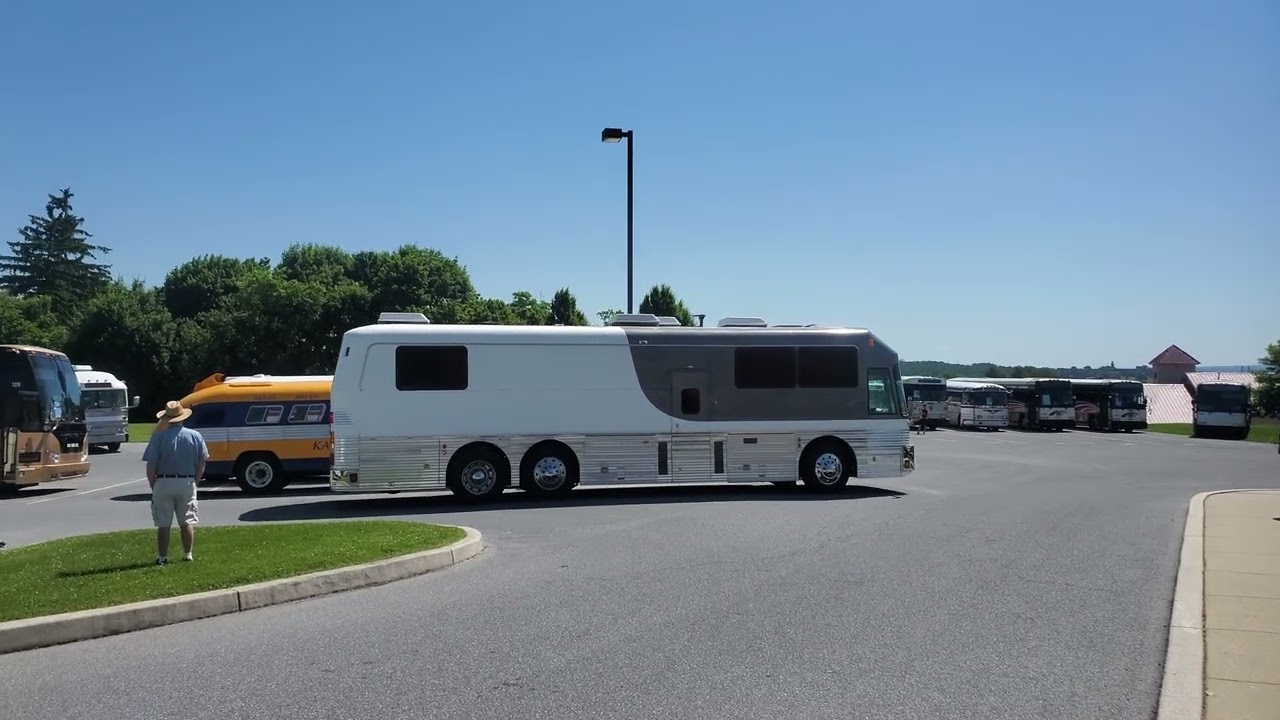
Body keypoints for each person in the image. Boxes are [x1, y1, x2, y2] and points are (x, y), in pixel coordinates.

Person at [143, 400, 208, 565]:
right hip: (186, 481)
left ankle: (163, 557)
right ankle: (187, 554)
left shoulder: (158, 437)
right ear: (183, 417)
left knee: (163, 523)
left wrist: (153, 484)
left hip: (163, 481)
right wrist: (196, 480)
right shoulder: (195, 436)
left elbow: (151, 464)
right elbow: (202, 461)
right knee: (186, 521)